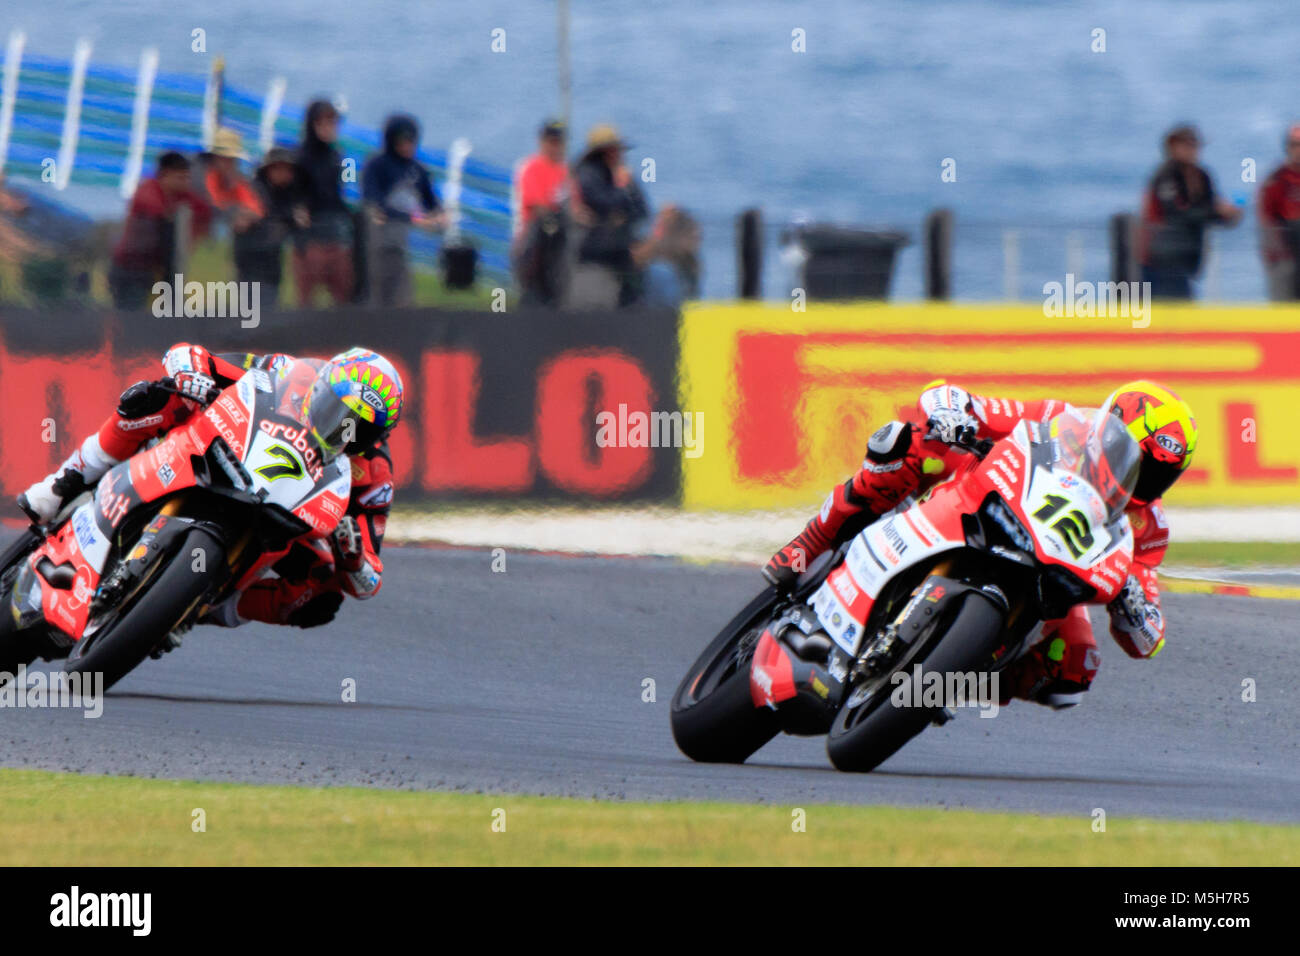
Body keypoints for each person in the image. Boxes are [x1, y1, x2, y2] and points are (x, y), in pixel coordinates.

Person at [763, 380, 1198, 710]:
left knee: (1074, 670)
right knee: (912, 444)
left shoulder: (1148, 526)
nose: (1145, 479)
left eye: (1163, 473)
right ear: (1112, 427)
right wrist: (954, 413)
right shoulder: (1058, 419)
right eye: (1140, 461)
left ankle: (944, 686)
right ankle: (810, 541)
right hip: (976, 500)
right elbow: (954, 397)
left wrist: (1135, 604)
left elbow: (1148, 638)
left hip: (1052, 565)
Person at [17, 344, 404, 631]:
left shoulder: (373, 472)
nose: (341, 428)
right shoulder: (288, 373)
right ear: (321, 387)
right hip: (224, 452)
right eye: (337, 409)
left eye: (358, 428)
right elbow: (197, 357)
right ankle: (65, 482)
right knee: (156, 398)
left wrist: (353, 557)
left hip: (286, 514)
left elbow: (369, 579)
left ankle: (212, 604)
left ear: (374, 437)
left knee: (324, 597)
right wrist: (193, 375)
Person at [1137, 124, 1241, 299]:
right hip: (1163, 256)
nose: (1193, 150)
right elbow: (1175, 213)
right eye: (1187, 145)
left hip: (1189, 255)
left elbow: (1208, 207)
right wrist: (1215, 212)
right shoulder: (1165, 175)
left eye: (1195, 145)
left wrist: (1227, 215)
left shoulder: (1201, 175)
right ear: (1172, 147)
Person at [108, 151, 212, 308]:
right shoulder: (147, 190)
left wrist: (195, 232)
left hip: (153, 269)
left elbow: (205, 210)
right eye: (181, 178)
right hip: (129, 269)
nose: (186, 183)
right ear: (165, 175)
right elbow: (157, 209)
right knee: (129, 317)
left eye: (187, 178)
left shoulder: (180, 195)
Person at [360, 113, 444, 307]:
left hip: (400, 246)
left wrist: (439, 217)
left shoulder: (416, 170)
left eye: (412, 141)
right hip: (375, 244)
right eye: (403, 141)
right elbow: (375, 205)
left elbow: (431, 202)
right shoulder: (376, 166)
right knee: (375, 297)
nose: (408, 146)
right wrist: (415, 219)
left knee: (403, 300)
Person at [568, 123, 649, 307]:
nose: (618, 155)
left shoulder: (621, 174)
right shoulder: (587, 174)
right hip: (595, 248)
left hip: (622, 245)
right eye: (613, 150)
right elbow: (604, 203)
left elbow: (641, 210)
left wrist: (624, 193)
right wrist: (622, 190)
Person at [293, 99, 354, 306]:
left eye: (333, 122)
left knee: (343, 291)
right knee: (307, 297)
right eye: (323, 122)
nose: (329, 128)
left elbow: (350, 192)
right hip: (310, 234)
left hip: (338, 233)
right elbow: (293, 194)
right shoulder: (299, 157)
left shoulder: (343, 158)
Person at [231, 147, 308, 307]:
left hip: (272, 269)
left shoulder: (289, 196)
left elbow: (299, 224)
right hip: (250, 267)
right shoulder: (255, 191)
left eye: (287, 169)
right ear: (268, 170)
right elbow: (242, 222)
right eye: (278, 169)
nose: (283, 174)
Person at [512, 119, 571, 306]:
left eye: (559, 142)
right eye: (551, 141)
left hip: (559, 242)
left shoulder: (567, 171)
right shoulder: (532, 168)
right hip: (535, 242)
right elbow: (537, 205)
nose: (555, 147)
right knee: (533, 296)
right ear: (542, 142)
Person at [1258, 123, 1300, 301]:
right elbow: (1266, 221)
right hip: (1285, 258)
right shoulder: (1276, 181)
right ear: (1287, 147)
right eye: (1295, 144)